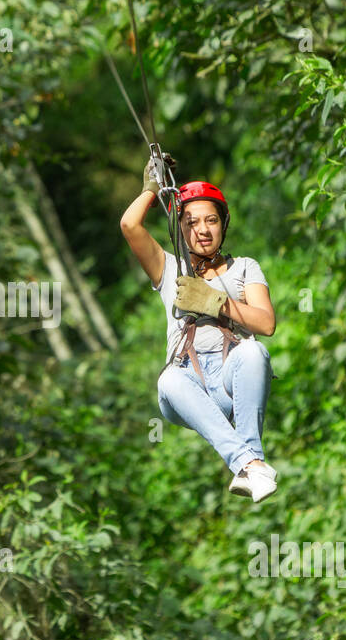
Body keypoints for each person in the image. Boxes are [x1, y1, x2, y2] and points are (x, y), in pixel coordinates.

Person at [119, 156, 279, 503]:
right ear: (179, 228)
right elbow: (130, 226)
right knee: (167, 379)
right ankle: (251, 462)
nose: (203, 230)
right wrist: (150, 188)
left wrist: (216, 303)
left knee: (254, 351)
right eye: (191, 223)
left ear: (223, 225)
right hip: (187, 385)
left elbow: (266, 324)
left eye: (211, 221)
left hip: (228, 380)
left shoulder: (244, 267)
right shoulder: (169, 267)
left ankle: (249, 465)